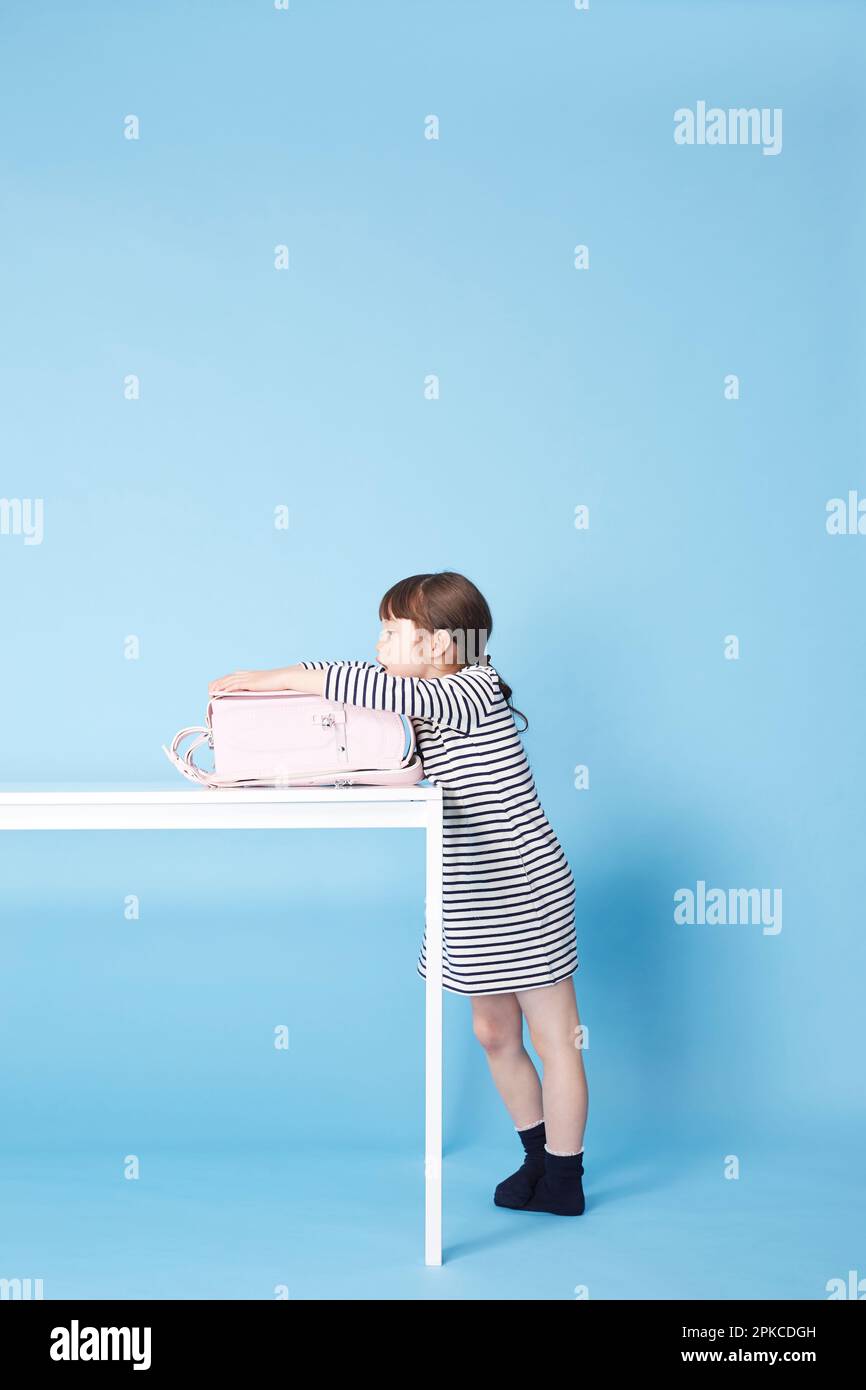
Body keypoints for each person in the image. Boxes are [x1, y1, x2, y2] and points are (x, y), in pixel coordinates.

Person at [209, 570, 587, 1215]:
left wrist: (273, 677)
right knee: (493, 1033)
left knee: (557, 1038)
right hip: (465, 889)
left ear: (440, 644)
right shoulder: (424, 702)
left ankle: (565, 1174)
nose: (380, 645)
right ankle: (534, 1154)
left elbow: (360, 683)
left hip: (524, 886)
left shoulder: (475, 688)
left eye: (390, 631)